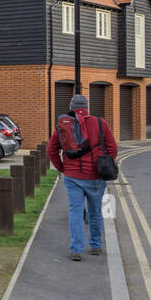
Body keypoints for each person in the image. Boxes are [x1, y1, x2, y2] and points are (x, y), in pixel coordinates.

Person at [46, 93, 118, 261]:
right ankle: (96, 246)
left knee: (75, 212)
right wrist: (106, 164)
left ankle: (76, 250)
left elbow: (51, 150)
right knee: (94, 212)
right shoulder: (100, 123)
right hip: (96, 176)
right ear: (86, 107)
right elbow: (112, 147)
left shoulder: (63, 125)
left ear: (71, 108)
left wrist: (62, 168)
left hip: (72, 176)